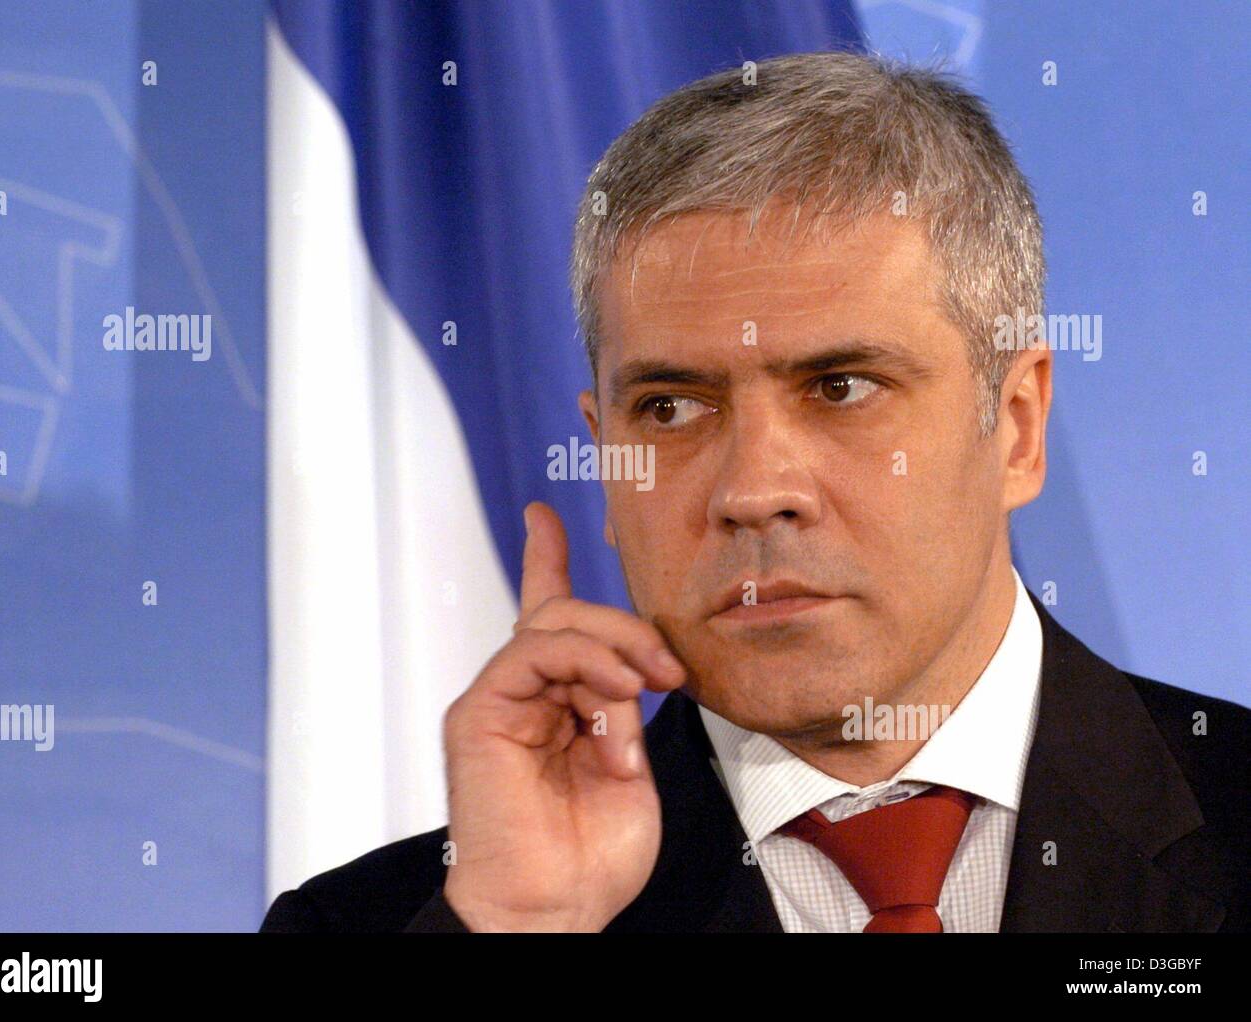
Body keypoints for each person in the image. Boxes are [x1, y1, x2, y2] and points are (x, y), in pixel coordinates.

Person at [261, 52, 1249, 933]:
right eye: (670, 409)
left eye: (841, 387)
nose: (751, 490)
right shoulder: (395, 921)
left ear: (1018, 426)